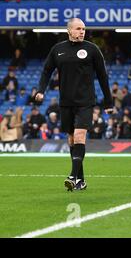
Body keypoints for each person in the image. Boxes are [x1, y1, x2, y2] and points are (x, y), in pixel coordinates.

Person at [35, 18, 113, 192]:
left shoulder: (92, 49)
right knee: (71, 140)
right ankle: (81, 180)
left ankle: (72, 176)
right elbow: (47, 70)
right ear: (69, 30)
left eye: (84, 29)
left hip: (85, 102)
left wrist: (108, 101)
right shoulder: (58, 50)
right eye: (78, 28)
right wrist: (41, 90)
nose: (82, 31)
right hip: (66, 102)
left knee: (79, 136)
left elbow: (102, 76)